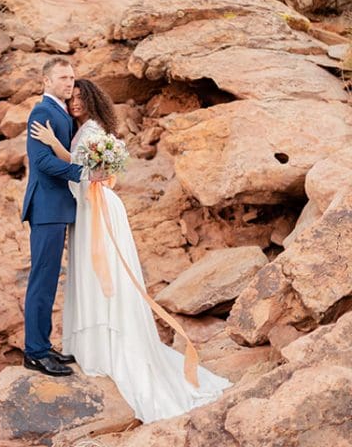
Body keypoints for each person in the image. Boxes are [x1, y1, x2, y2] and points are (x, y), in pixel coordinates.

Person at [30, 78, 231, 423]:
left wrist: (51, 143)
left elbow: (89, 172)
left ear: (92, 100)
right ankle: (92, 346)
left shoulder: (92, 129)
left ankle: (111, 349)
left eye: (81, 96)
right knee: (90, 275)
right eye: (72, 97)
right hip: (87, 209)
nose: (75, 102)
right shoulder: (83, 129)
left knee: (104, 272)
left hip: (99, 208)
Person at [21, 58, 83, 377]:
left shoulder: (61, 110)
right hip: (45, 207)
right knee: (42, 281)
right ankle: (34, 352)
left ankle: (43, 346)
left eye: (72, 77)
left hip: (57, 207)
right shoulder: (43, 111)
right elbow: (42, 162)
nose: (69, 82)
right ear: (46, 81)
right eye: (62, 77)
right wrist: (81, 172)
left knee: (48, 280)